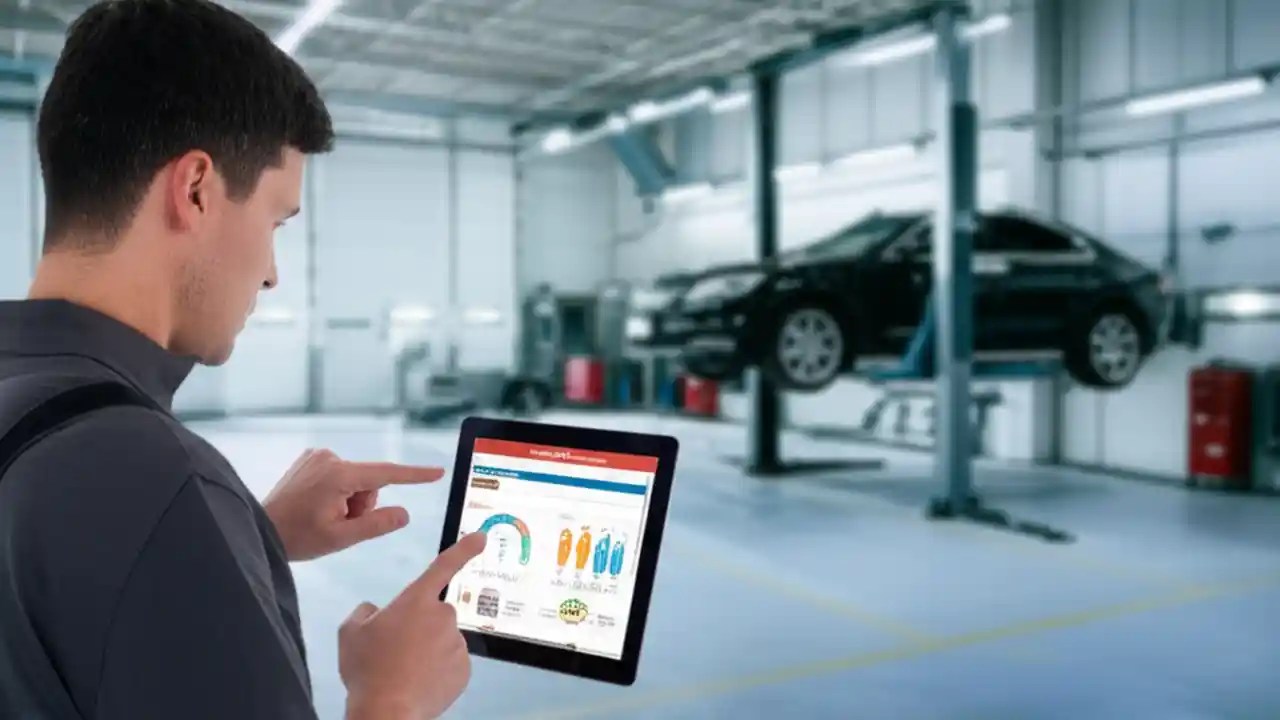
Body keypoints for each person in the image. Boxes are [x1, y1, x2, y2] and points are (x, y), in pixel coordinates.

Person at [0, 1, 485, 718]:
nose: (271, 274)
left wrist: (244, 539)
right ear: (195, 190)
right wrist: (392, 697)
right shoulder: (150, 475)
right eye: (275, 221)